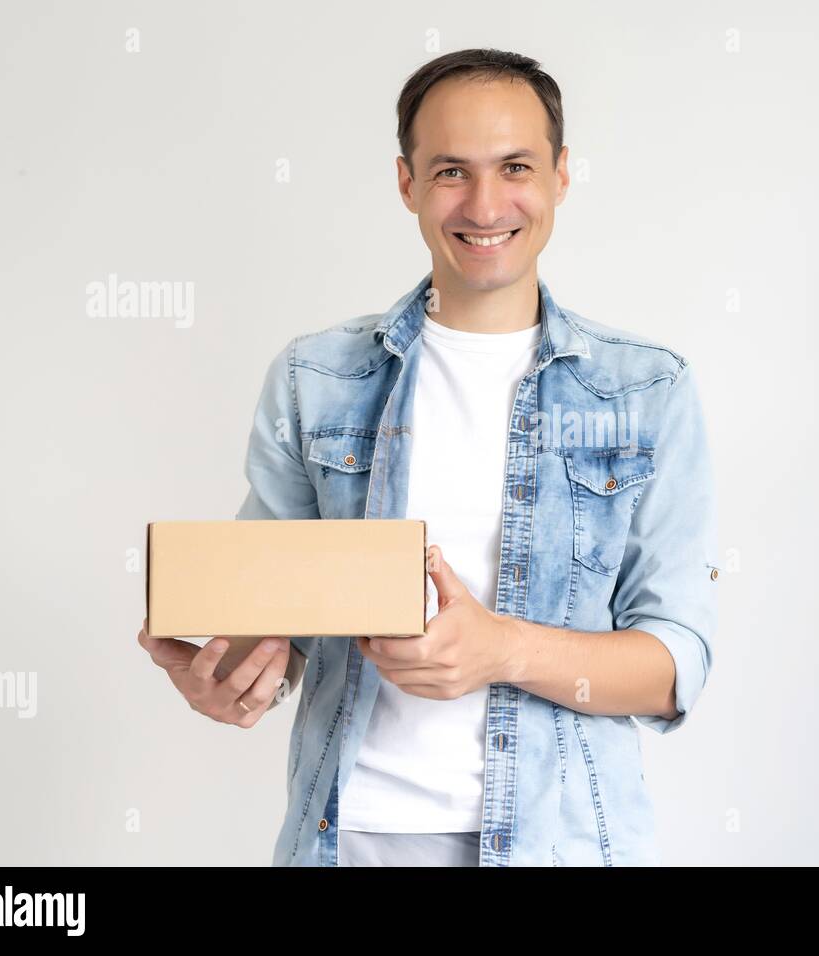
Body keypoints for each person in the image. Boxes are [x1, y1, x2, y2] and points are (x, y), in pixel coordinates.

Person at [137, 48, 718, 866]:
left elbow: (676, 661)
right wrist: (228, 677)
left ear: (559, 174)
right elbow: (274, 624)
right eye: (452, 170)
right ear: (407, 182)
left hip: (565, 846)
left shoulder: (647, 390)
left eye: (515, 165)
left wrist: (502, 649)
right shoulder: (316, 380)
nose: (485, 205)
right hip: (350, 844)